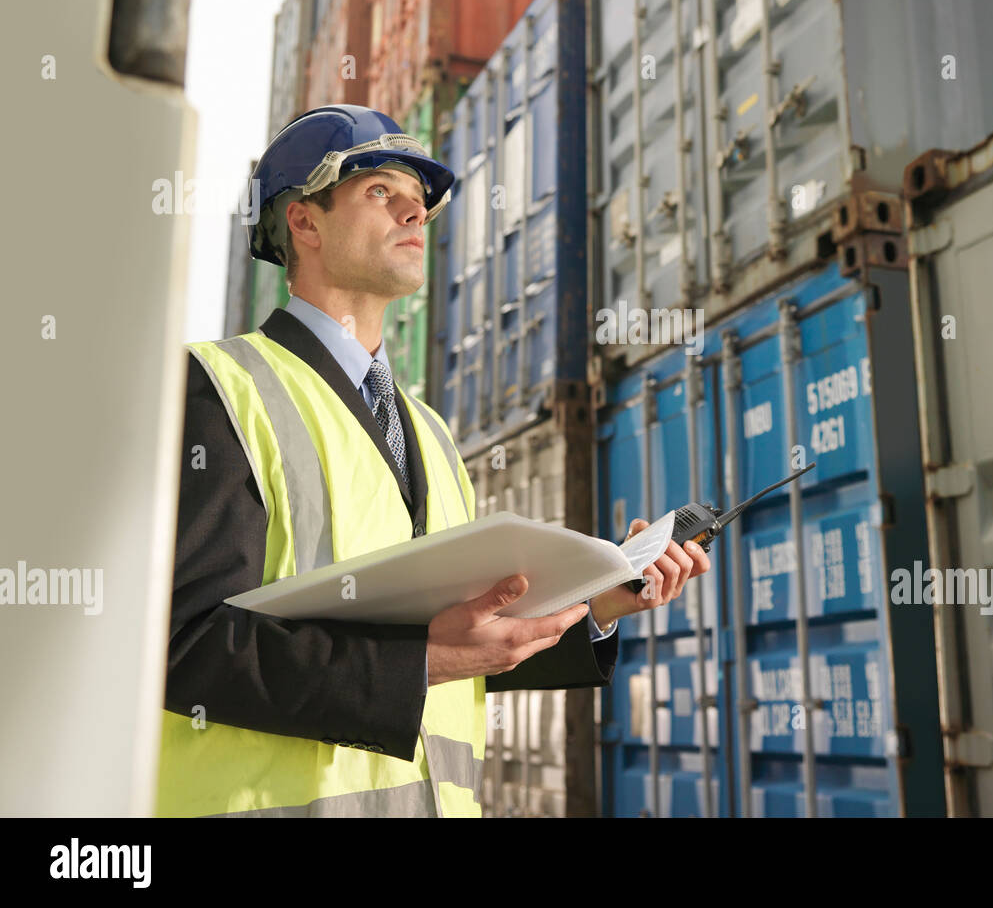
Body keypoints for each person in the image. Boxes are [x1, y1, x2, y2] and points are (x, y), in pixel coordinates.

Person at [156, 104, 710, 817]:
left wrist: (596, 604)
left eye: (419, 200)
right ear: (304, 222)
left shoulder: (431, 433)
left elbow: (464, 652)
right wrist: (419, 661)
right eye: (380, 191)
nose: (414, 212)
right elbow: (182, 646)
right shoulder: (221, 388)